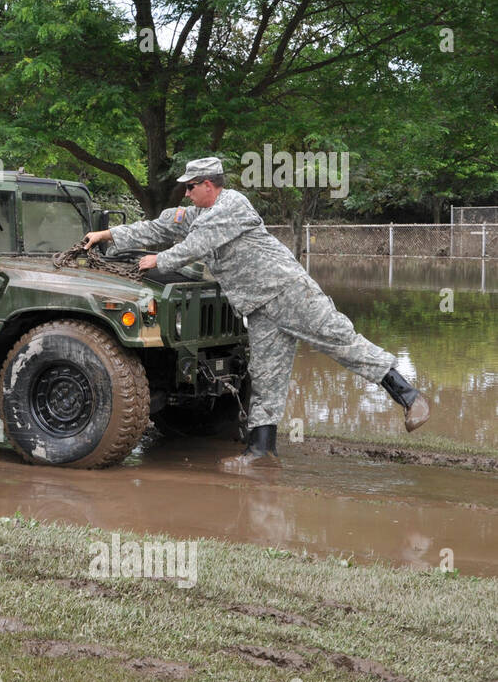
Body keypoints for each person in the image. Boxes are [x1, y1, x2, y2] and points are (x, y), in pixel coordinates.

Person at [82, 157, 430, 469]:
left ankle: (409, 396)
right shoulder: (198, 213)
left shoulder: (231, 205)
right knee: (265, 374)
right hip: (259, 306)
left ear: (208, 184)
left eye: (190, 187)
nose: (185, 194)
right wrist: (107, 233)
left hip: (288, 292)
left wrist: (159, 260)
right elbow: (158, 227)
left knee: (341, 342)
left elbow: (196, 245)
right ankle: (261, 450)